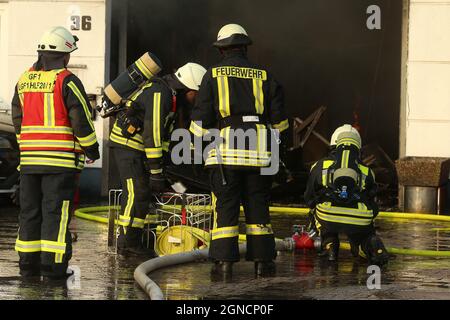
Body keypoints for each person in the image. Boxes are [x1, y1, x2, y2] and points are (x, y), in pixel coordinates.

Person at [189, 23, 289, 278]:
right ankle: (263, 262)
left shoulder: (212, 75)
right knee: (258, 208)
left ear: (222, 50)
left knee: (226, 208)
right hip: (260, 156)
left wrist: (197, 149)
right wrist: (276, 153)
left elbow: (200, 121)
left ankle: (224, 264)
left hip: (225, 156)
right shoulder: (266, 76)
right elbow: (281, 124)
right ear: (245, 48)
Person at [11, 26, 100, 279]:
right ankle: (54, 267)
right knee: (55, 214)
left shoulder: (24, 80)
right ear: (65, 55)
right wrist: (91, 148)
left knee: (29, 212)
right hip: (59, 163)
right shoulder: (67, 80)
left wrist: (28, 146)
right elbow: (81, 120)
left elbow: (18, 119)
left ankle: (28, 265)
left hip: (29, 163)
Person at [109, 62, 206, 255]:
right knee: (135, 193)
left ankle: (139, 241)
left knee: (145, 195)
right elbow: (151, 134)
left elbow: (162, 137)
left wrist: (164, 168)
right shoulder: (159, 92)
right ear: (187, 87)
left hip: (140, 150)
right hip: (128, 147)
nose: (197, 99)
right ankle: (126, 244)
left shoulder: (170, 96)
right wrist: (155, 172)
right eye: (197, 93)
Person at [304, 124, 389, 266]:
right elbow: (373, 206)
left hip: (328, 215)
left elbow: (309, 198)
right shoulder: (367, 172)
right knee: (364, 233)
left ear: (333, 144)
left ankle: (329, 245)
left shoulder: (319, 166)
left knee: (316, 213)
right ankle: (369, 245)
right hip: (358, 219)